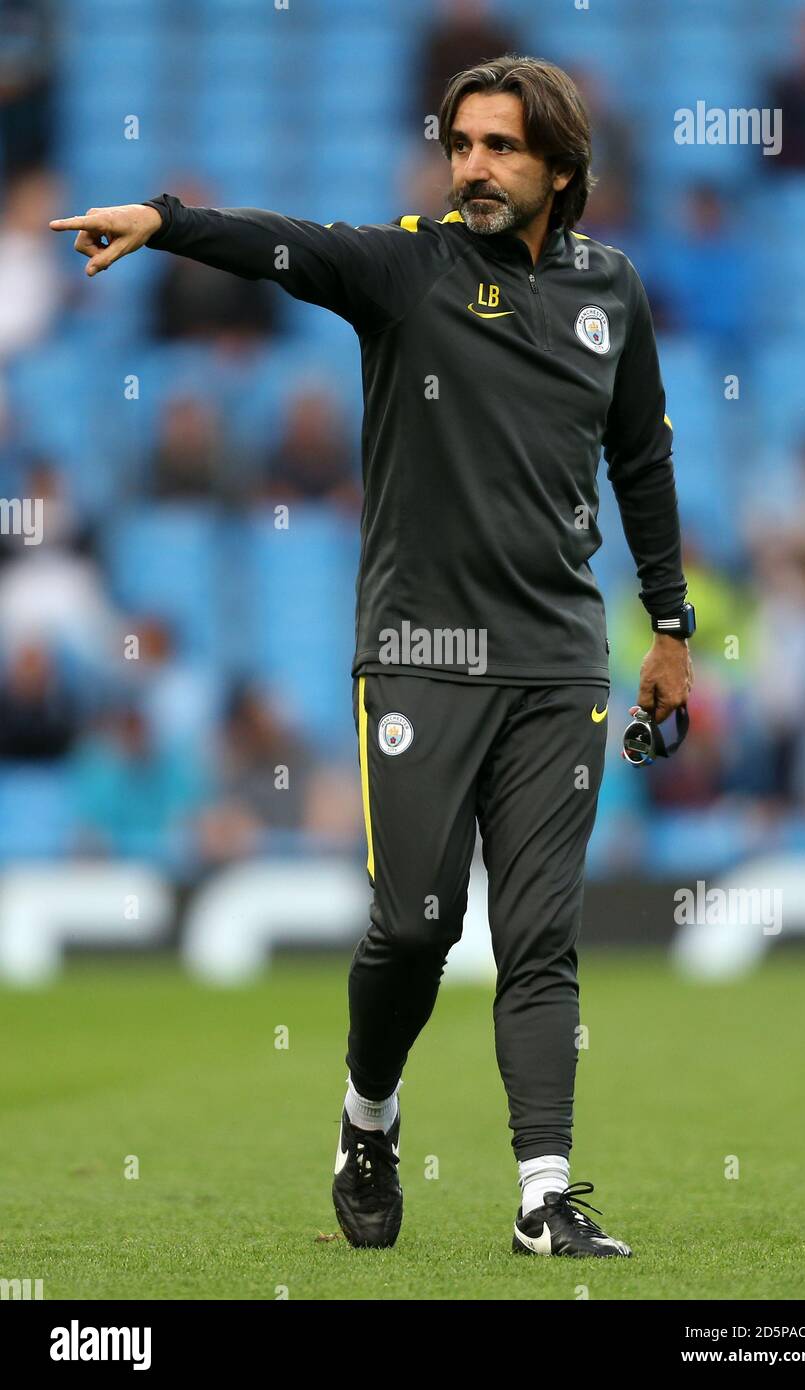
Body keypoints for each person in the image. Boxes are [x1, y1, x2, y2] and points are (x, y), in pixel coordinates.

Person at [49, 54, 694, 1260]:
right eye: (460, 145)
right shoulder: (409, 268)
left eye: (500, 148)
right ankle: (367, 1117)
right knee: (414, 926)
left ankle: (544, 1194)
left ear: (560, 167)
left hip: (556, 660)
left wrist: (669, 625)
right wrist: (168, 221)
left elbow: (641, 459)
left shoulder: (611, 290)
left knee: (539, 934)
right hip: (418, 653)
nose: (472, 168)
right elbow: (283, 246)